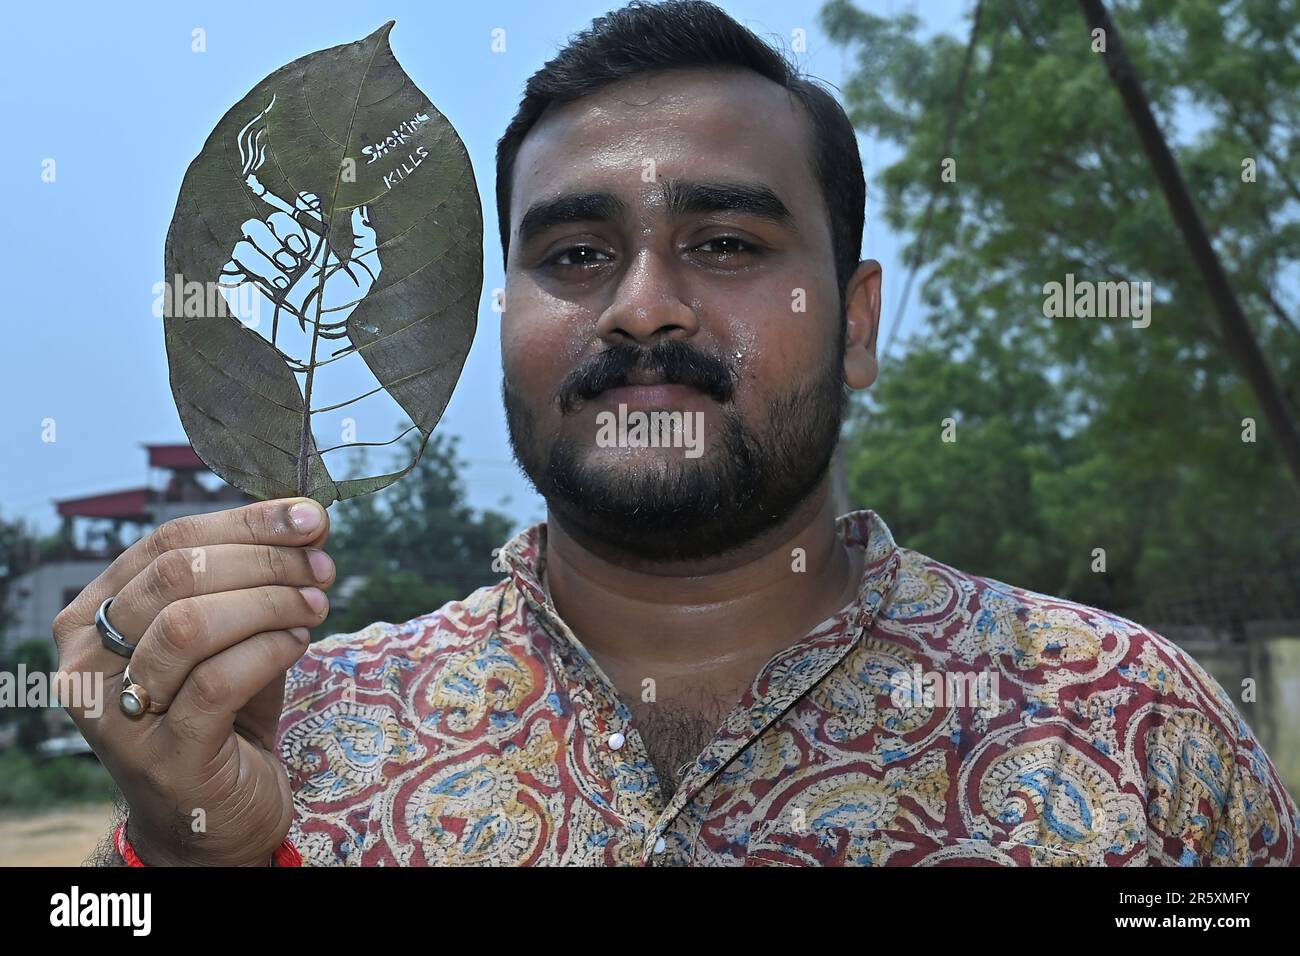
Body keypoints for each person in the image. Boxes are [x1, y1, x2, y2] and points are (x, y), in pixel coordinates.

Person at [64, 0, 1295, 866]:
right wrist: (181, 852)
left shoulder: (1128, 721)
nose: (642, 303)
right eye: (575, 254)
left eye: (725, 244)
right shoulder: (290, 732)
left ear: (856, 324)